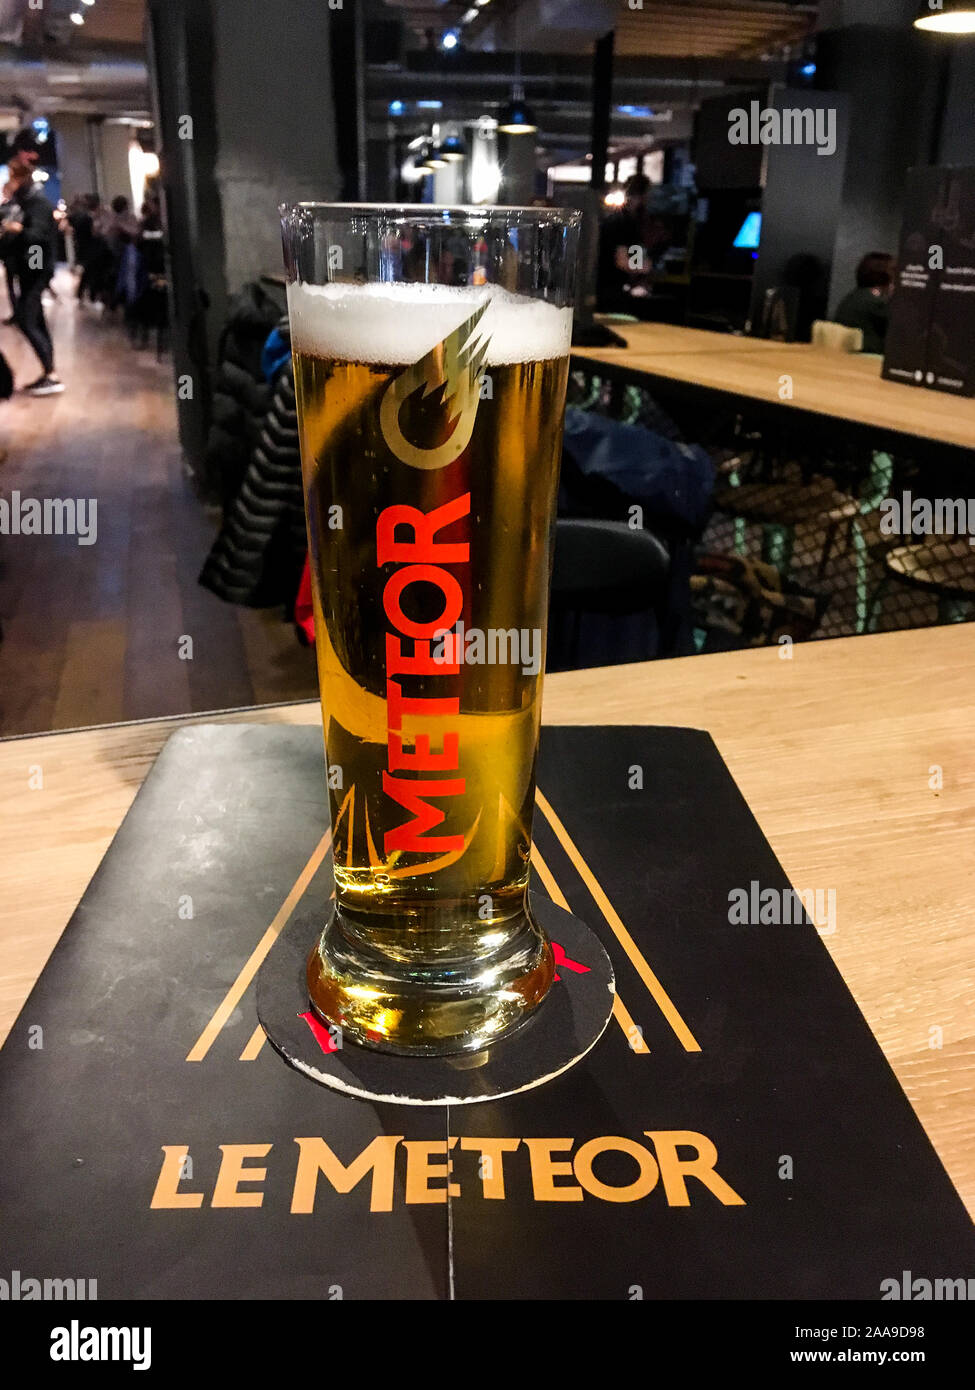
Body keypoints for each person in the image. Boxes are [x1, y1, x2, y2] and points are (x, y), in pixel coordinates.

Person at [0, 147, 62, 394]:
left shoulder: (36, 203)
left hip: (36, 267)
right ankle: (50, 371)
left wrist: (17, 230)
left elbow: (37, 238)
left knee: (27, 318)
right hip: (30, 268)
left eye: (14, 176)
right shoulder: (25, 202)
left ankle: (52, 374)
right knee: (34, 319)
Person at [596, 173, 670, 313]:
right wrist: (648, 267)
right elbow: (623, 261)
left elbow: (634, 257)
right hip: (613, 293)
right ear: (643, 196)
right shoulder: (624, 223)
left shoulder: (622, 220)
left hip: (608, 291)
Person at [834, 252, 895, 355]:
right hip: (868, 357)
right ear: (887, 277)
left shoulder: (852, 297)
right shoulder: (876, 304)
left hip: (848, 356)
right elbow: (901, 332)